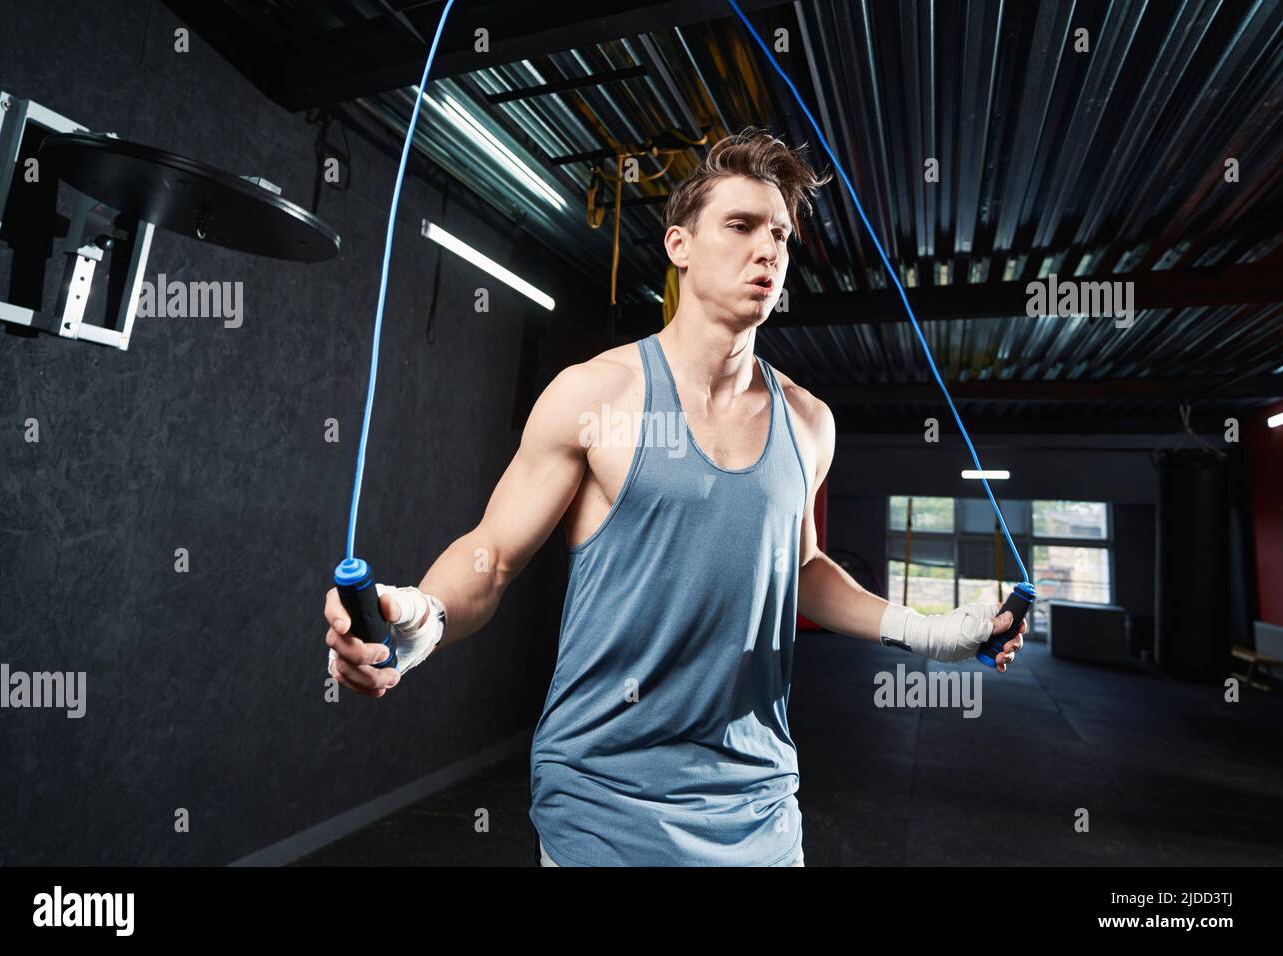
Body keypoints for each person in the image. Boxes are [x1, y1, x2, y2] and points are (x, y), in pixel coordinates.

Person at [322, 127, 1027, 867]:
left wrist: (930, 632)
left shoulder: (809, 422)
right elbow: (492, 555)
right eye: (742, 226)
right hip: (601, 805)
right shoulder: (598, 394)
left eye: (781, 236)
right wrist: (424, 619)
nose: (769, 251)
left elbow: (801, 569)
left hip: (757, 807)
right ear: (679, 246)